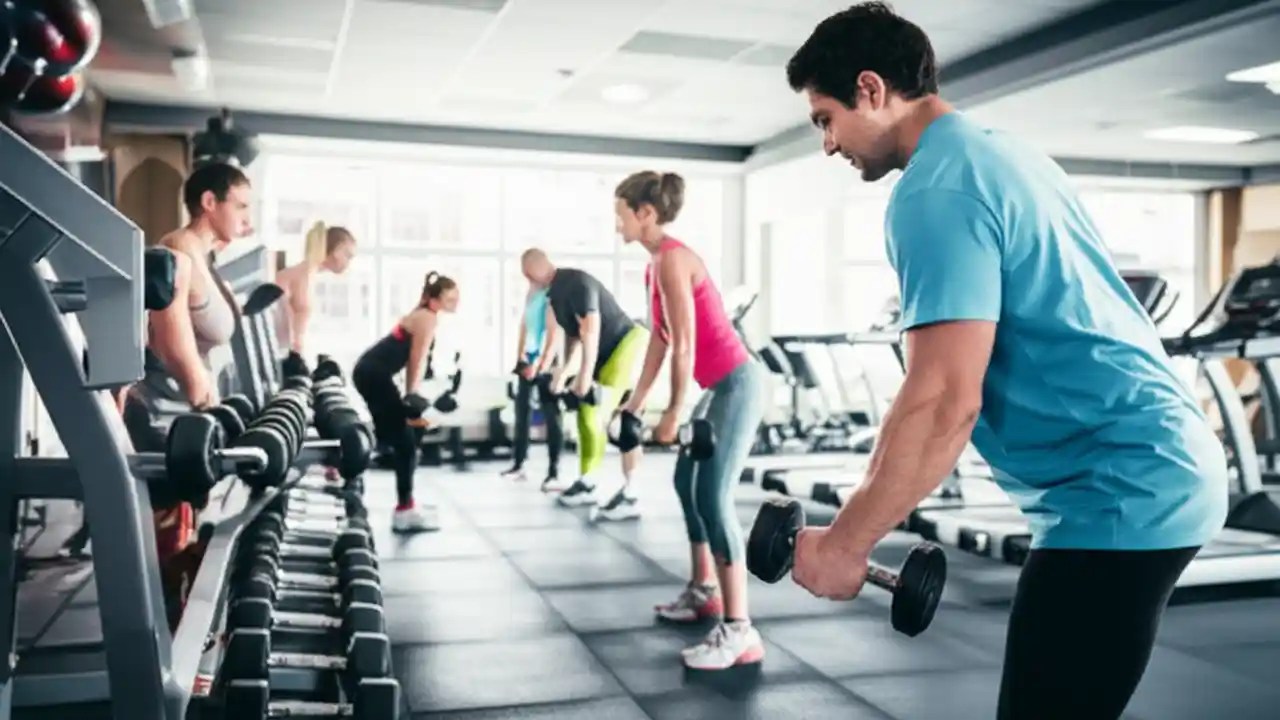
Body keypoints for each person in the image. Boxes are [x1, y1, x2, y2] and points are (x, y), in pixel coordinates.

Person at [783, 4, 1227, 719]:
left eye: (825, 119)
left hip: (1118, 486)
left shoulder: (934, 189)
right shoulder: (1001, 152)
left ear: (870, 89)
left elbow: (943, 400)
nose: (828, 145)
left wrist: (846, 543)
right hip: (1147, 470)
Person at [615, 170, 769, 670]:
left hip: (738, 383)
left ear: (646, 213)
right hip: (718, 386)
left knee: (713, 496)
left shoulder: (674, 260)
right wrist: (636, 403)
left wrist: (673, 412)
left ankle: (740, 631)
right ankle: (705, 590)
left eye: (621, 213)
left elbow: (685, 344)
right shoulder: (655, 265)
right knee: (686, 481)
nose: (617, 223)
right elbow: (659, 341)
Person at [126, 162, 253, 628]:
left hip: (183, 415)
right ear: (209, 202)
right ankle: (158, 649)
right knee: (167, 556)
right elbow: (170, 338)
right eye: (241, 206)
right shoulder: (178, 250)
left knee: (186, 548)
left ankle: (176, 637)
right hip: (165, 418)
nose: (247, 218)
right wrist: (205, 400)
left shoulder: (203, 256)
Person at [521, 250, 648, 513]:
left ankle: (631, 492)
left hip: (626, 344)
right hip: (606, 352)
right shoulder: (556, 294)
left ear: (531, 273)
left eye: (526, 275)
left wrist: (584, 377)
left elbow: (591, 329)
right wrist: (565, 371)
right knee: (586, 412)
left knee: (610, 417)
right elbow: (574, 336)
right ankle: (589, 479)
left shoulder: (576, 283)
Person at [352, 271, 459, 533]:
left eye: (456, 298)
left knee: (404, 439)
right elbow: (416, 359)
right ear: (434, 300)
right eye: (449, 298)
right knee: (406, 444)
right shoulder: (427, 318)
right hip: (374, 376)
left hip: (371, 373)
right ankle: (404, 511)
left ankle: (406, 504)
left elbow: (415, 360)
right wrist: (412, 395)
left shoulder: (423, 314)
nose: (455, 303)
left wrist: (412, 397)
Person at [501, 281, 564, 485]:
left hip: (547, 361)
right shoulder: (531, 294)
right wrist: (520, 355)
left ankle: (553, 471)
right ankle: (519, 464)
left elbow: (553, 333)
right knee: (522, 412)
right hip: (528, 359)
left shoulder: (553, 294)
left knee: (551, 415)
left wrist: (540, 363)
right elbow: (524, 325)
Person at [274, 221, 358, 371]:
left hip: (282, 352)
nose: (348, 263)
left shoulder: (306, 273)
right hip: (281, 354)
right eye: (348, 255)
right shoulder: (304, 274)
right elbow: (293, 327)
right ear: (337, 250)